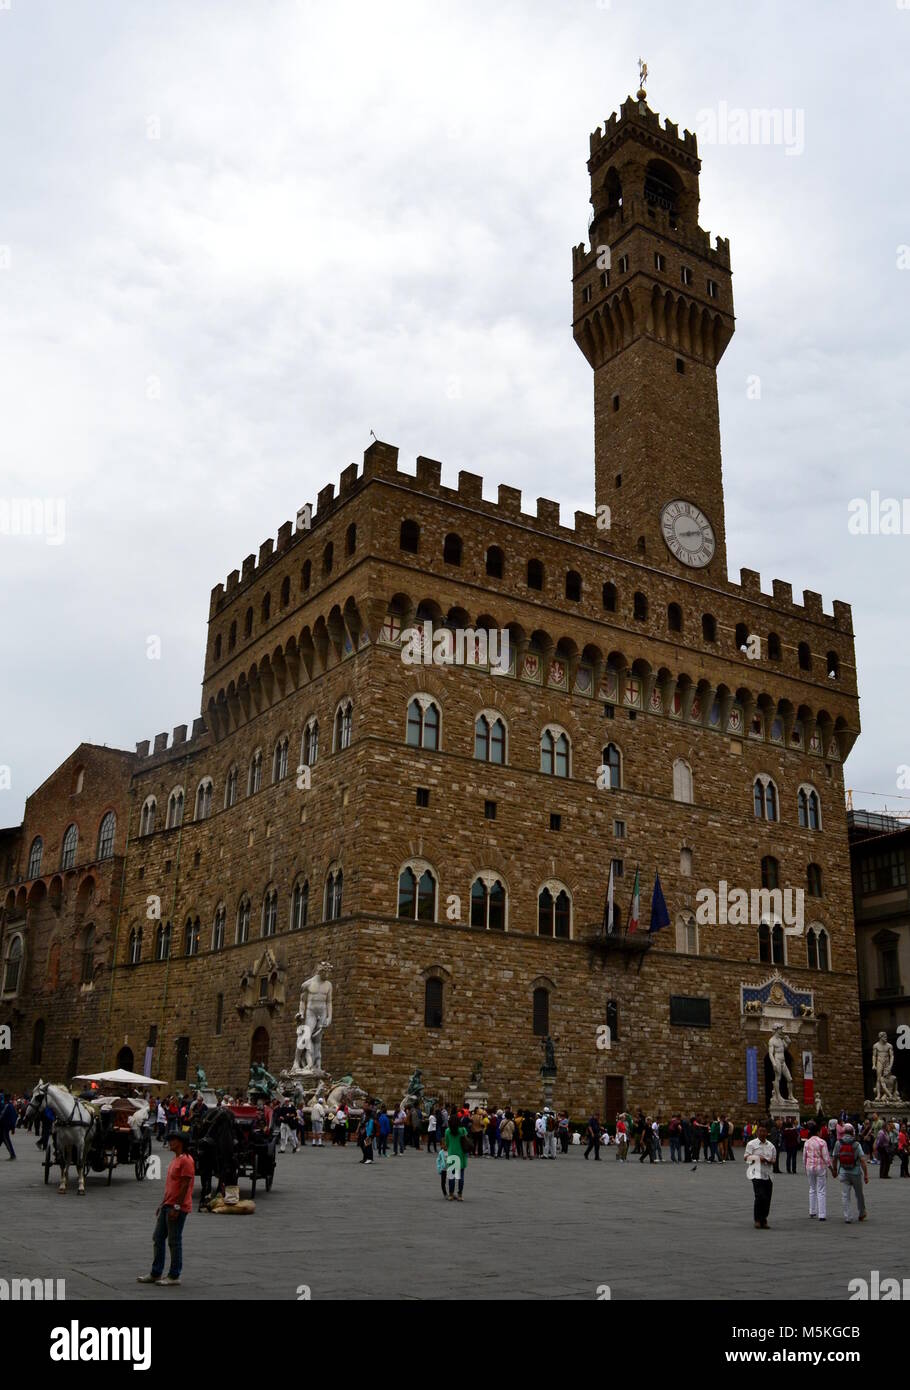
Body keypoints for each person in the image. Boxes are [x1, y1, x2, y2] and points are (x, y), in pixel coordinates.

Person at [137, 1131, 195, 1286]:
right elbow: (171, 1186)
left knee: (174, 1241)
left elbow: (184, 1186)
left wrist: (177, 1206)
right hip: (167, 1205)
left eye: (172, 1140)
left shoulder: (187, 1161)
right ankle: (156, 1272)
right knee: (157, 1238)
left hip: (177, 1207)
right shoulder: (176, 1159)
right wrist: (162, 1204)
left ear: (180, 1142)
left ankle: (174, 1275)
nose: (169, 1143)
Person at [832, 1122, 868, 1222]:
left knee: (845, 1195)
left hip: (843, 1171)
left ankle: (848, 1216)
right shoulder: (856, 1144)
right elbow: (862, 1161)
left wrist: (835, 1170)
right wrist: (866, 1175)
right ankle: (862, 1213)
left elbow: (834, 1158)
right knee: (859, 1194)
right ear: (853, 1132)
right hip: (856, 1172)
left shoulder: (838, 1143)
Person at [744, 1121, 776, 1228]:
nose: (762, 1133)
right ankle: (757, 1219)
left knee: (767, 1198)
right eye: (760, 1131)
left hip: (768, 1175)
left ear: (767, 1133)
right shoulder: (751, 1144)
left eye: (764, 1131)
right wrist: (758, 1158)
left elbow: (774, 1159)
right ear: (757, 1132)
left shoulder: (771, 1146)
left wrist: (770, 1161)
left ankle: (764, 1218)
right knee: (759, 1196)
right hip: (755, 1174)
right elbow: (746, 1157)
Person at [802, 1120, 831, 1221]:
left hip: (809, 1167)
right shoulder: (822, 1142)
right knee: (821, 1190)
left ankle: (812, 1210)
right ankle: (822, 1214)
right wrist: (831, 1168)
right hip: (820, 1167)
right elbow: (826, 1157)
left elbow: (804, 1157)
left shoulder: (807, 1142)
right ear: (818, 1132)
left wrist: (805, 1167)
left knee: (812, 1188)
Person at [441, 1110, 469, 1200]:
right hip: (461, 1154)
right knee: (461, 1176)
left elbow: (447, 1144)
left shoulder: (447, 1131)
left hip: (452, 1154)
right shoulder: (462, 1130)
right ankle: (460, 1195)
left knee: (451, 1176)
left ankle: (451, 1194)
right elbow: (466, 1141)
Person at [0, 1094, 16, 1160]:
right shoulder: (10, 1105)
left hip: (5, 1125)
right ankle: (12, 1154)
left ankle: (12, 1155)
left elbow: (1, 1116)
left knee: (6, 1139)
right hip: (6, 1125)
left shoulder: (7, 1106)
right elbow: (15, 1116)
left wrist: (12, 1128)